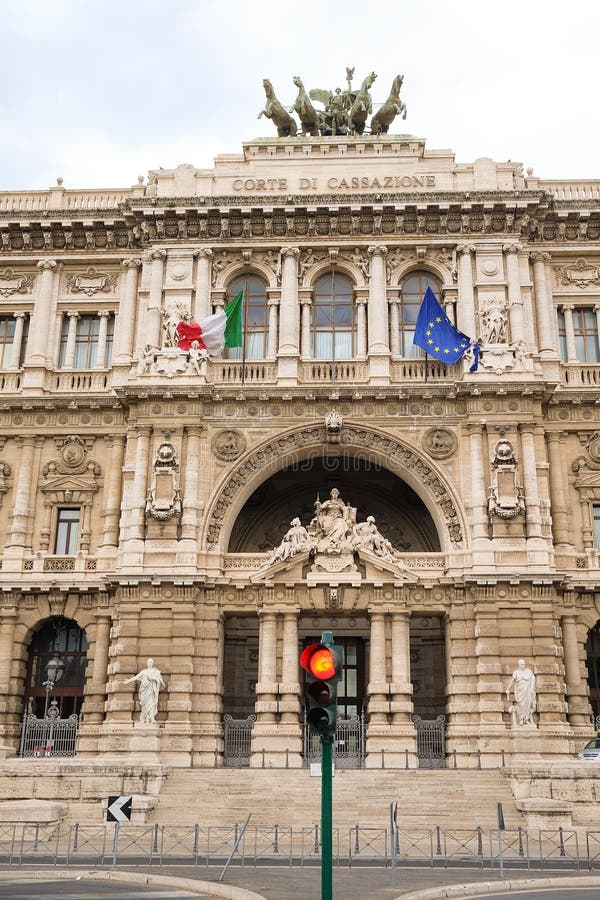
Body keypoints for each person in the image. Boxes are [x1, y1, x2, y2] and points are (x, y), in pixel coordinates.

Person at [123, 658, 165, 724]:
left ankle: (152, 718)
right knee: (145, 705)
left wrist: (153, 678)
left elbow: (160, 679)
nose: (150, 663)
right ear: (147, 663)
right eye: (149, 662)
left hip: (152, 690)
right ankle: (145, 718)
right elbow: (136, 677)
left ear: (152, 663)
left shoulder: (156, 671)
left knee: (151, 703)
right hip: (144, 690)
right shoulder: (144, 671)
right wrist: (128, 681)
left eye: (151, 662)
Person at [506, 659, 536, 726]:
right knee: (521, 705)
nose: (523, 665)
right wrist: (508, 689)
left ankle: (526, 719)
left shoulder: (529, 672)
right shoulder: (516, 673)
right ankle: (521, 719)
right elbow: (512, 681)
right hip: (520, 692)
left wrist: (531, 688)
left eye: (524, 664)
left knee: (527, 705)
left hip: (527, 692)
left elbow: (533, 680)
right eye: (521, 664)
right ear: (519, 665)